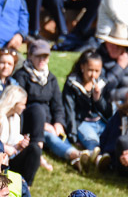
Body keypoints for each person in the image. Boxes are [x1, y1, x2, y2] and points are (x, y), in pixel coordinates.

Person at [13, 39, 84, 173]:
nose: (42, 59)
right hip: (30, 122)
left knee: (58, 136)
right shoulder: (21, 76)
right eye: (38, 56)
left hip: (50, 122)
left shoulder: (51, 78)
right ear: (30, 56)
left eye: (45, 56)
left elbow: (58, 105)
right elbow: (20, 106)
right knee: (50, 136)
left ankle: (77, 157)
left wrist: (58, 123)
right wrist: (43, 124)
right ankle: (73, 154)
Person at [63, 49, 113, 169]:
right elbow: (70, 110)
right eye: (90, 70)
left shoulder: (103, 83)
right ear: (82, 67)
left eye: (97, 71)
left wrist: (98, 98)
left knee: (110, 138)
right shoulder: (72, 84)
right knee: (92, 140)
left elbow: (108, 111)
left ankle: (102, 158)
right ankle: (98, 160)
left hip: (100, 121)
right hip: (84, 122)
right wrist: (73, 135)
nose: (93, 75)